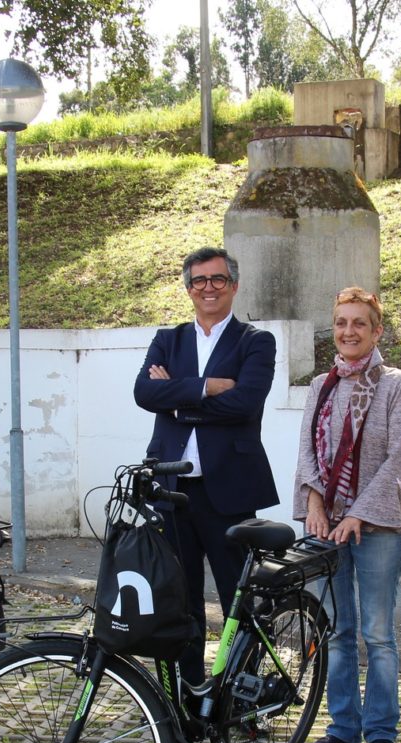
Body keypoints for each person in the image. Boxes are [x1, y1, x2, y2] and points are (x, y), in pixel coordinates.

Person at [133, 245, 279, 686]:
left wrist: (177, 399)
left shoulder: (256, 341)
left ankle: (241, 692)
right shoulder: (168, 339)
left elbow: (246, 401)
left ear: (233, 286)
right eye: (199, 281)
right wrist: (206, 387)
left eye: (217, 280)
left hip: (229, 491)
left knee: (241, 597)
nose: (208, 288)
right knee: (179, 599)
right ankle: (188, 691)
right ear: (188, 289)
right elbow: (144, 393)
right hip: (171, 491)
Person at [294, 288, 401, 743]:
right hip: (324, 524)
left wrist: (357, 514)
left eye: (359, 323)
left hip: (381, 526)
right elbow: (306, 449)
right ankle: (343, 728)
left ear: (376, 331)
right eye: (341, 322)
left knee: (378, 633)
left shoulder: (396, 385)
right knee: (336, 632)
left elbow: (395, 461)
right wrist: (315, 504)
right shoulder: (320, 385)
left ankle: (381, 732)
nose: (349, 331)